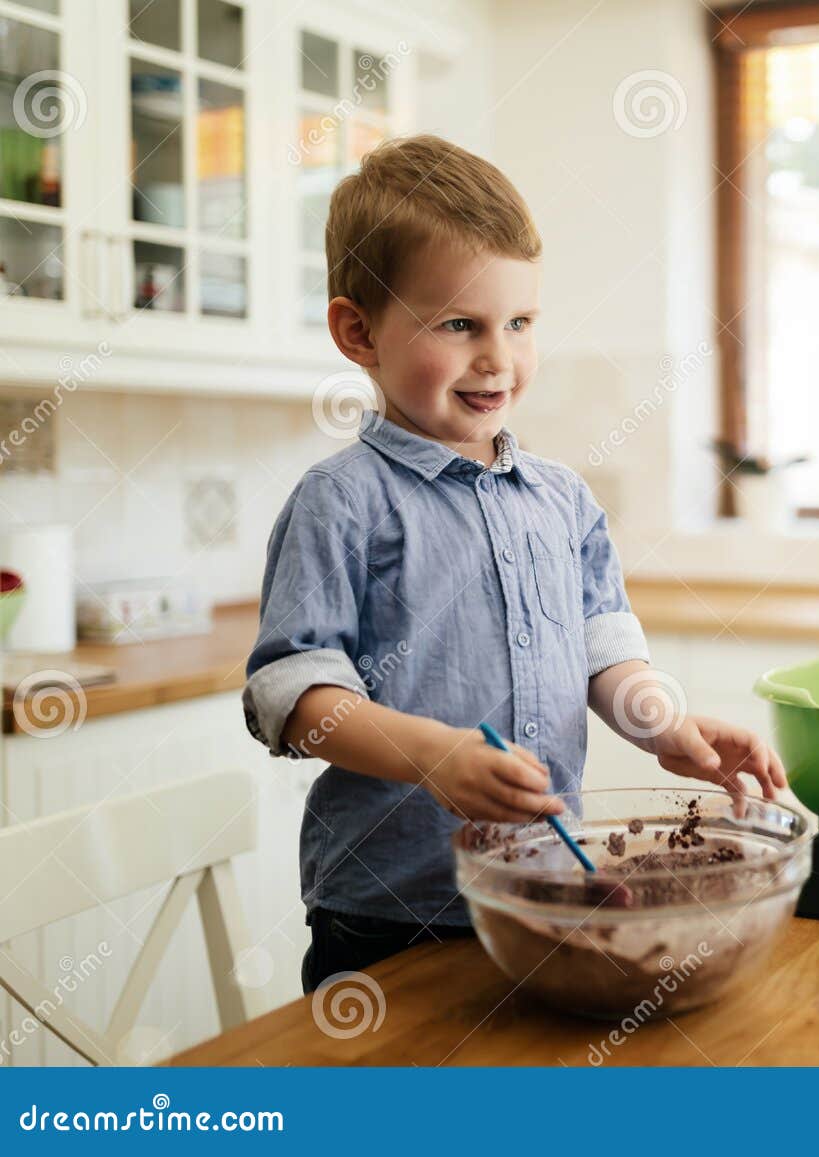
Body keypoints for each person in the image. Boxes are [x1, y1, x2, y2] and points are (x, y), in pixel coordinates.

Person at [242, 134, 787, 994]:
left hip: (539, 892)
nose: (498, 356)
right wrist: (433, 755)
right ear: (358, 331)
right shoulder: (340, 502)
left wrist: (664, 723)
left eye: (520, 323)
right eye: (459, 324)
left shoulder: (563, 499)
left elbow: (604, 648)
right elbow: (291, 700)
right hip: (389, 913)